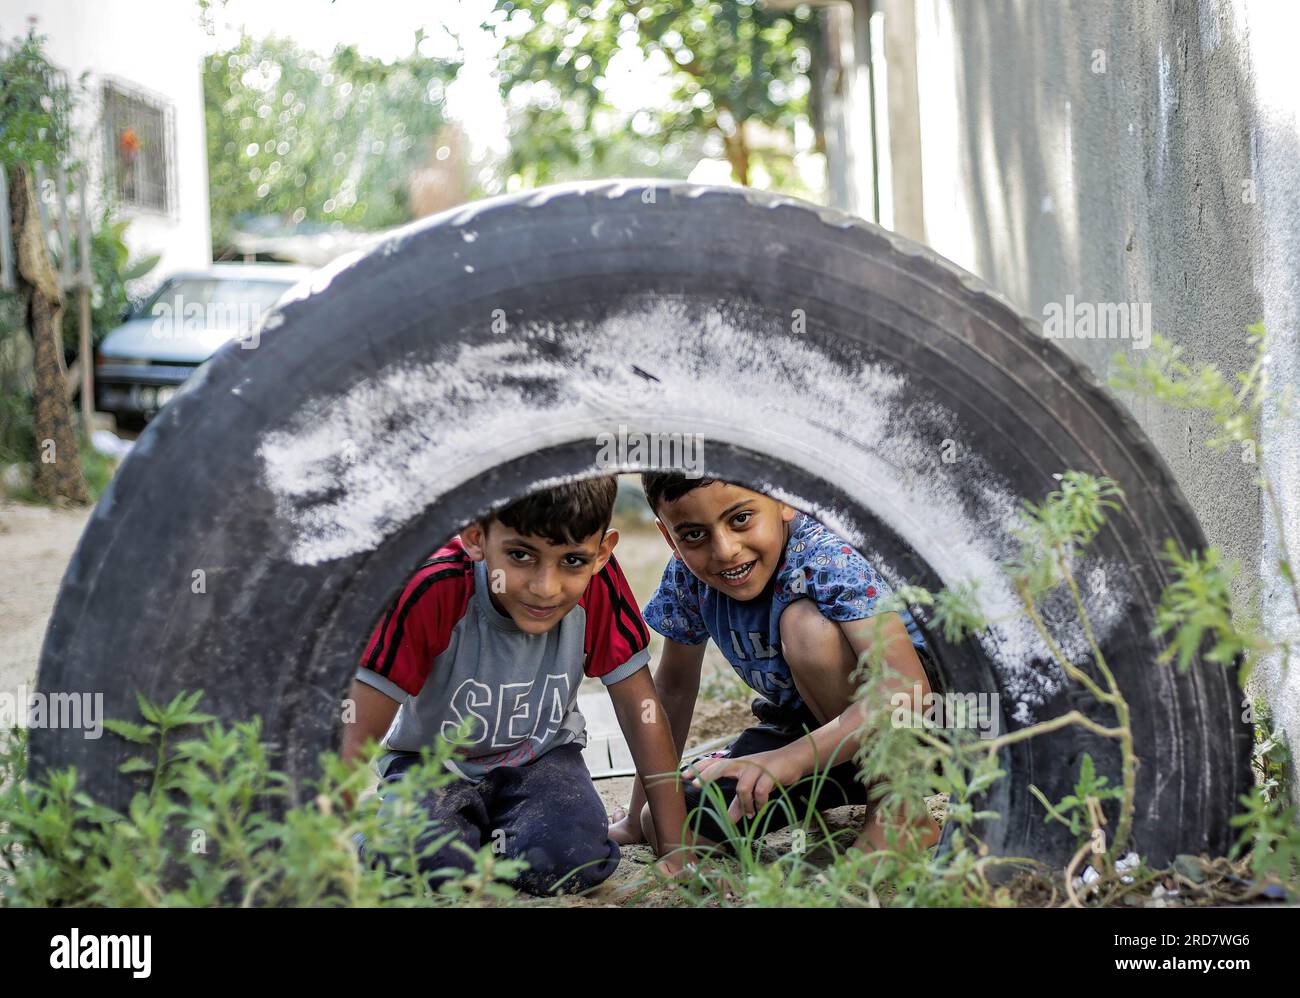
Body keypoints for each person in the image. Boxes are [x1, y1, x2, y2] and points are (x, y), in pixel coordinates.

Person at [342, 477, 690, 895]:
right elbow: (356, 731)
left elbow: (641, 711)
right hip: (431, 764)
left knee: (572, 861)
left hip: (542, 759)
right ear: (476, 537)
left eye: (573, 561)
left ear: (601, 552)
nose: (546, 587)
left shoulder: (599, 585)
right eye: (521, 555)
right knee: (429, 865)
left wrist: (675, 848)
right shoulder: (432, 587)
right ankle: (383, 832)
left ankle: (491, 834)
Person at [609, 473, 942, 855]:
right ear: (669, 538)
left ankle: (899, 811)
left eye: (740, 519)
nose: (725, 550)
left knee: (805, 627)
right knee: (669, 822)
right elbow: (673, 692)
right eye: (694, 535)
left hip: (916, 730)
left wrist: (789, 760)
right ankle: (840, 783)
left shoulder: (827, 556)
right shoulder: (687, 577)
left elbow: (909, 690)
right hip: (814, 736)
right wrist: (637, 816)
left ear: (786, 499)